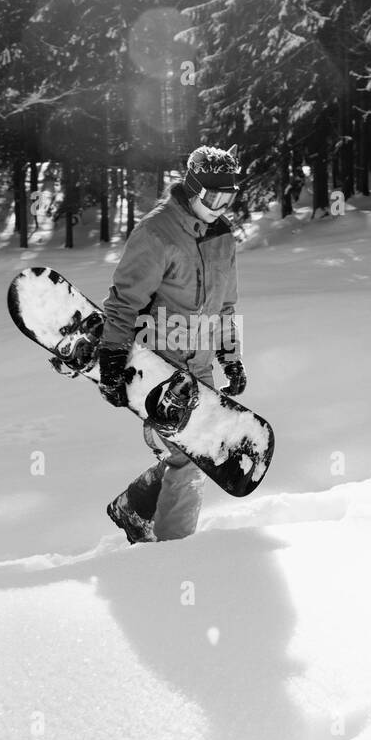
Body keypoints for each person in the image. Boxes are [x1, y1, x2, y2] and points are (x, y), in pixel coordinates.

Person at [98, 146, 247, 543]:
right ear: (193, 188)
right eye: (213, 197)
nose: (219, 207)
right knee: (193, 457)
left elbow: (226, 304)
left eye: (228, 198)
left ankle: (135, 505)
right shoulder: (156, 233)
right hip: (158, 364)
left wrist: (230, 358)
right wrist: (112, 359)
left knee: (189, 454)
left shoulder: (222, 235)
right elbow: (123, 303)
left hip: (199, 366)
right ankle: (174, 556)